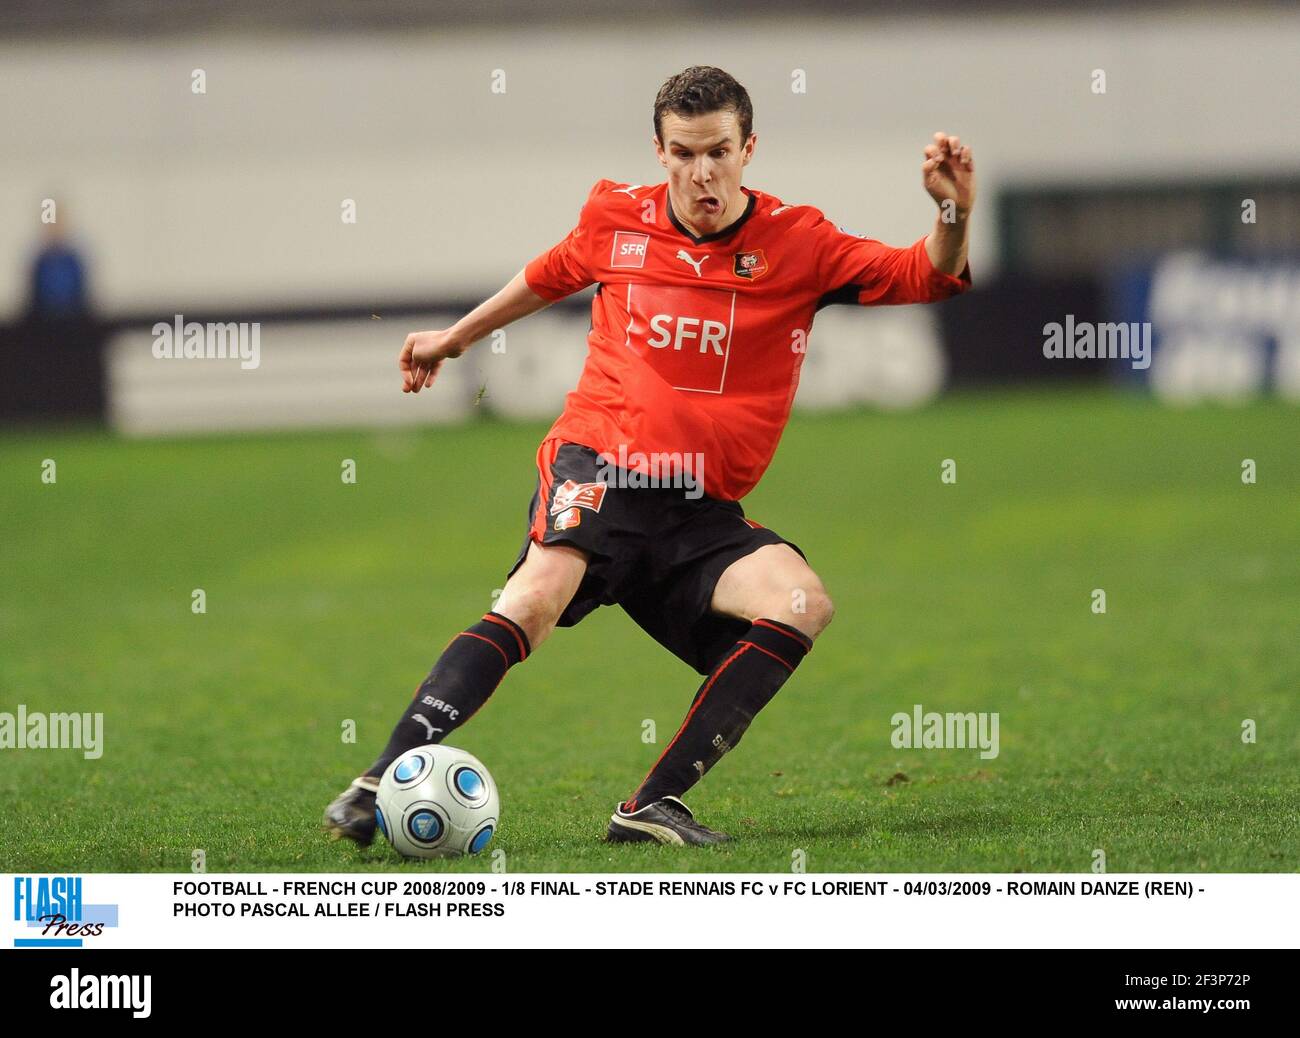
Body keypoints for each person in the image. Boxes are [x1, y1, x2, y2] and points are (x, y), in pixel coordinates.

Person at [325, 65, 974, 847]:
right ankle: (375, 781)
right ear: (660, 151)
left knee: (800, 602)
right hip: (599, 462)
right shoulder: (615, 220)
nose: (703, 172)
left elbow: (925, 274)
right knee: (535, 599)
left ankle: (649, 807)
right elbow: (546, 274)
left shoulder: (799, 244)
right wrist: (455, 339)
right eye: (684, 153)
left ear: (749, 148)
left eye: (720, 152)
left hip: (696, 508)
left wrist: (951, 208)